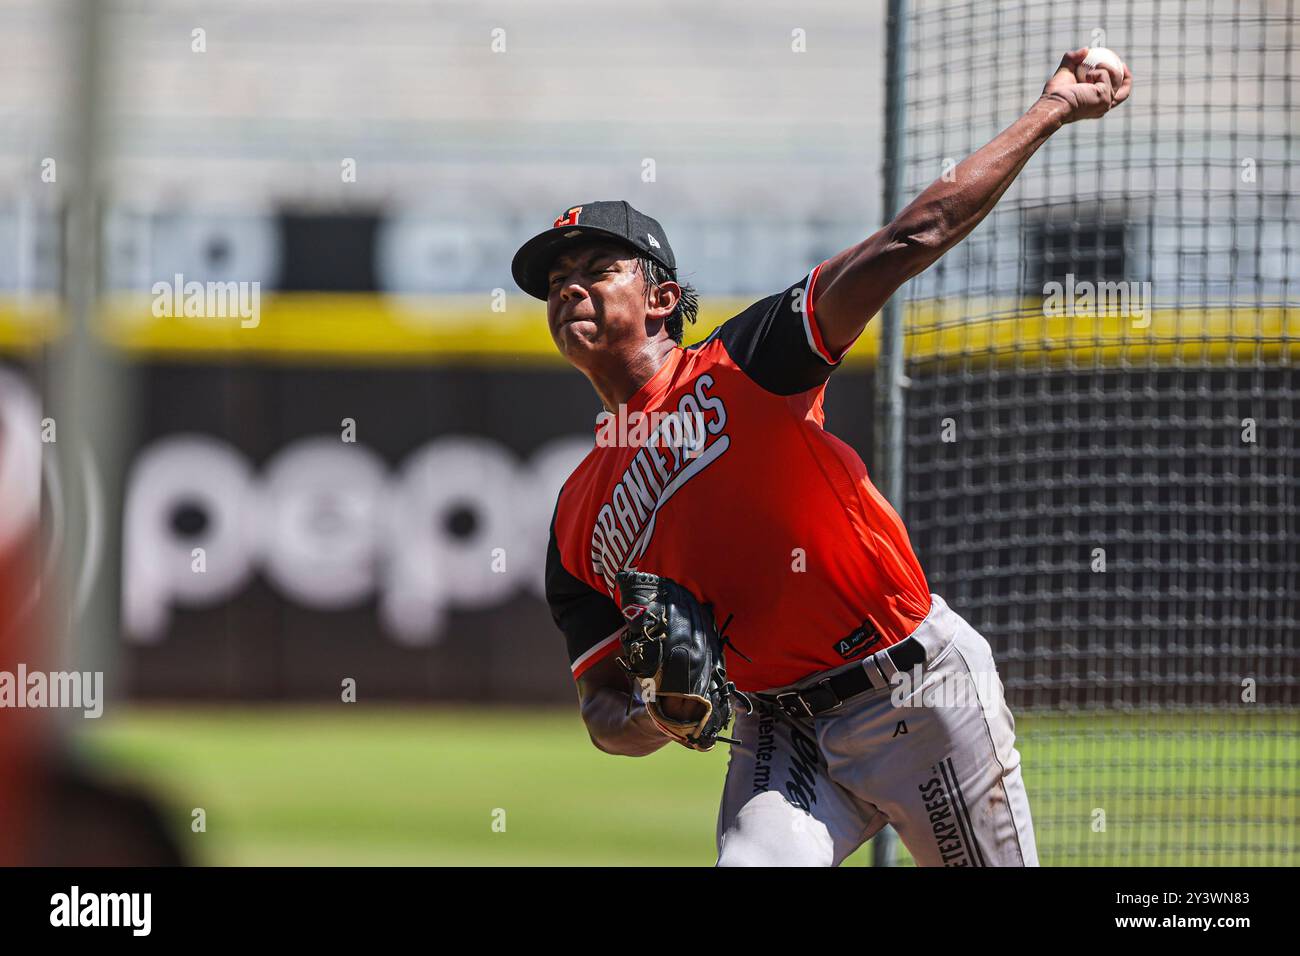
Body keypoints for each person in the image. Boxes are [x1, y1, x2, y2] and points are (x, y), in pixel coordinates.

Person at [512, 50, 1131, 866]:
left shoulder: (747, 363)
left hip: (914, 690)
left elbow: (913, 237)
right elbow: (602, 711)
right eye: (556, 280)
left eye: (597, 270)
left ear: (662, 298)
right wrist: (660, 716)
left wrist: (1051, 108)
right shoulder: (575, 517)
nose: (569, 290)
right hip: (780, 728)